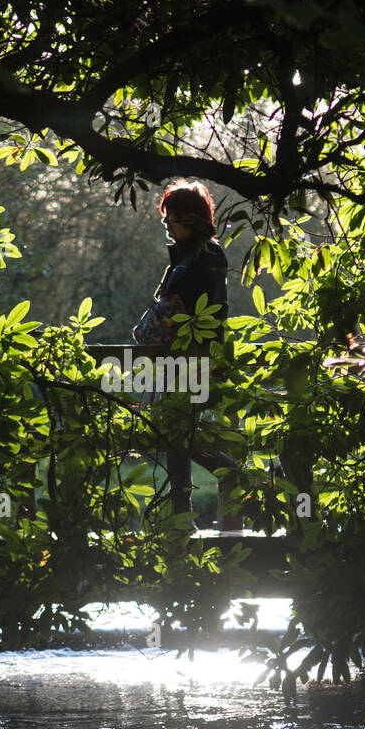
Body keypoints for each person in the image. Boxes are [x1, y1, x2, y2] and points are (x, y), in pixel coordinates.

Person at [132, 180, 231, 521]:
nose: (167, 227)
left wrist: (156, 324)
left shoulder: (203, 257)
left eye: (170, 219)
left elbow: (182, 308)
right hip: (183, 358)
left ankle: (220, 481)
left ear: (188, 219)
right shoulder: (192, 255)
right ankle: (183, 508)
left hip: (192, 358)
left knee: (177, 432)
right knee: (176, 432)